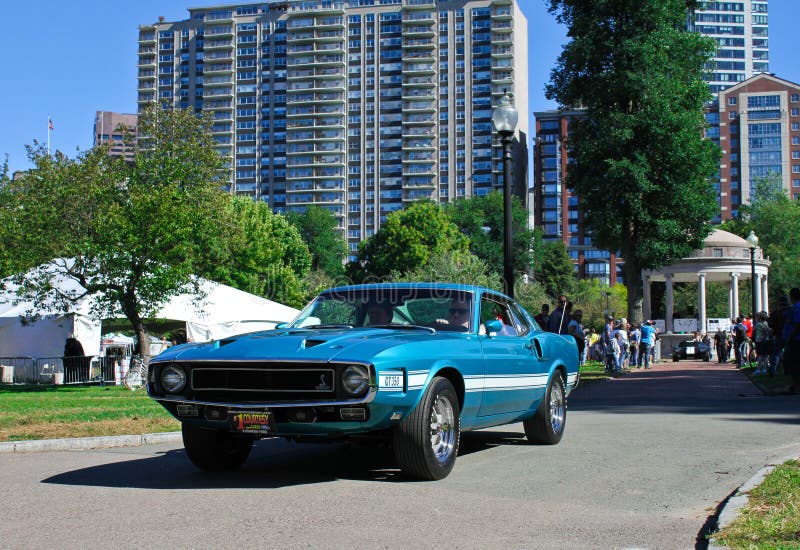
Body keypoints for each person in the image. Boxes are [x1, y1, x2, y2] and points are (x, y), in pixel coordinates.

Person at [782, 287, 800, 393]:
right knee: (792, 362)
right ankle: (796, 384)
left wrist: (790, 337)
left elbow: (798, 324)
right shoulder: (794, 307)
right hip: (793, 339)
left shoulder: (797, 307)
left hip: (796, 340)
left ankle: (797, 385)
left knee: (795, 362)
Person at [768, 296, 790, 376]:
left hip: (779, 334)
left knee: (776, 353)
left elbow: (770, 324)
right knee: (789, 352)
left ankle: (773, 370)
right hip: (790, 335)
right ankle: (787, 370)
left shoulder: (775, 312)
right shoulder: (791, 310)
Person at [753, 312, 773, 376]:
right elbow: (770, 331)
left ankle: (758, 369)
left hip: (759, 341)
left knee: (760, 355)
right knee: (766, 356)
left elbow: (754, 332)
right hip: (766, 341)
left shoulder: (758, 325)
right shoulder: (767, 324)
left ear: (759, 318)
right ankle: (765, 369)